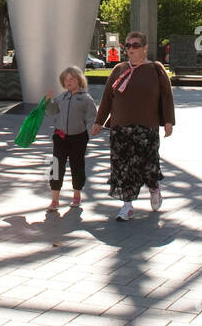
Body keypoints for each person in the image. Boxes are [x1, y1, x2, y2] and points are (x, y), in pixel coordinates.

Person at [91, 31, 174, 221]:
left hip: (146, 127)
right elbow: (107, 99)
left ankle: (154, 189)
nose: (131, 49)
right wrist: (98, 122)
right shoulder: (119, 69)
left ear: (145, 48)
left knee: (148, 166)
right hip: (120, 128)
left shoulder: (155, 69)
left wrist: (168, 121)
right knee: (122, 167)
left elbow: (166, 97)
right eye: (127, 46)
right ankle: (127, 205)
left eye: (135, 45)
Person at [43, 67, 97, 211]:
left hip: (78, 138)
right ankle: (54, 200)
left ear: (79, 80)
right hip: (60, 137)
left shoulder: (86, 98)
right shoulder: (62, 97)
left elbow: (91, 117)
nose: (68, 82)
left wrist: (92, 128)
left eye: (72, 79)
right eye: (66, 79)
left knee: (77, 166)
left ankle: (77, 195)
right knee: (55, 166)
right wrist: (47, 101)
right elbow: (51, 111)